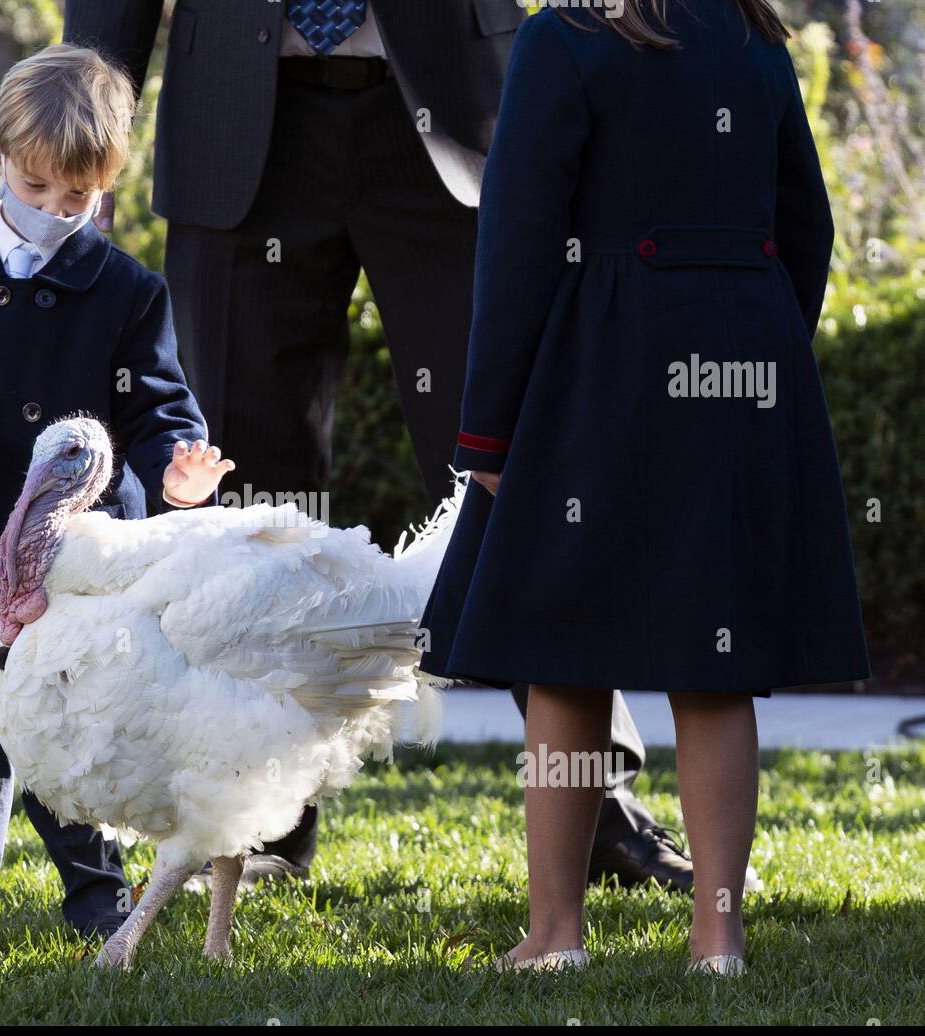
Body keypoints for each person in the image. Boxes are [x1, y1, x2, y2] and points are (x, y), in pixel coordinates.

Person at [64, 0, 694, 892]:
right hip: (237, 123)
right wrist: (78, 122)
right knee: (251, 505)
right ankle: (260, 823)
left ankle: (601, 809)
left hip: (452, 117)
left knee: (515, 468)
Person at [420, 1, 871, 974]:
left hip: (600, 370)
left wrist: (486, 429)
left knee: (562, 651)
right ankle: (718, 939)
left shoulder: (566, 38)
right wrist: (758, 337)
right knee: (712, 663)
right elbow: (807, 224)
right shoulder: (757, 41)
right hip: (741, 375)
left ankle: (554, 936)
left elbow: (520, 242)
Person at [0, 43, 232, 953]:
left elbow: (156, 405)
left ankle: (96, 893)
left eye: (80, 197)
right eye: (39, 188)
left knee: (69, 728)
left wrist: (178, 464)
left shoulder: (127, 290)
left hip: (80, 561)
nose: (59, 212)